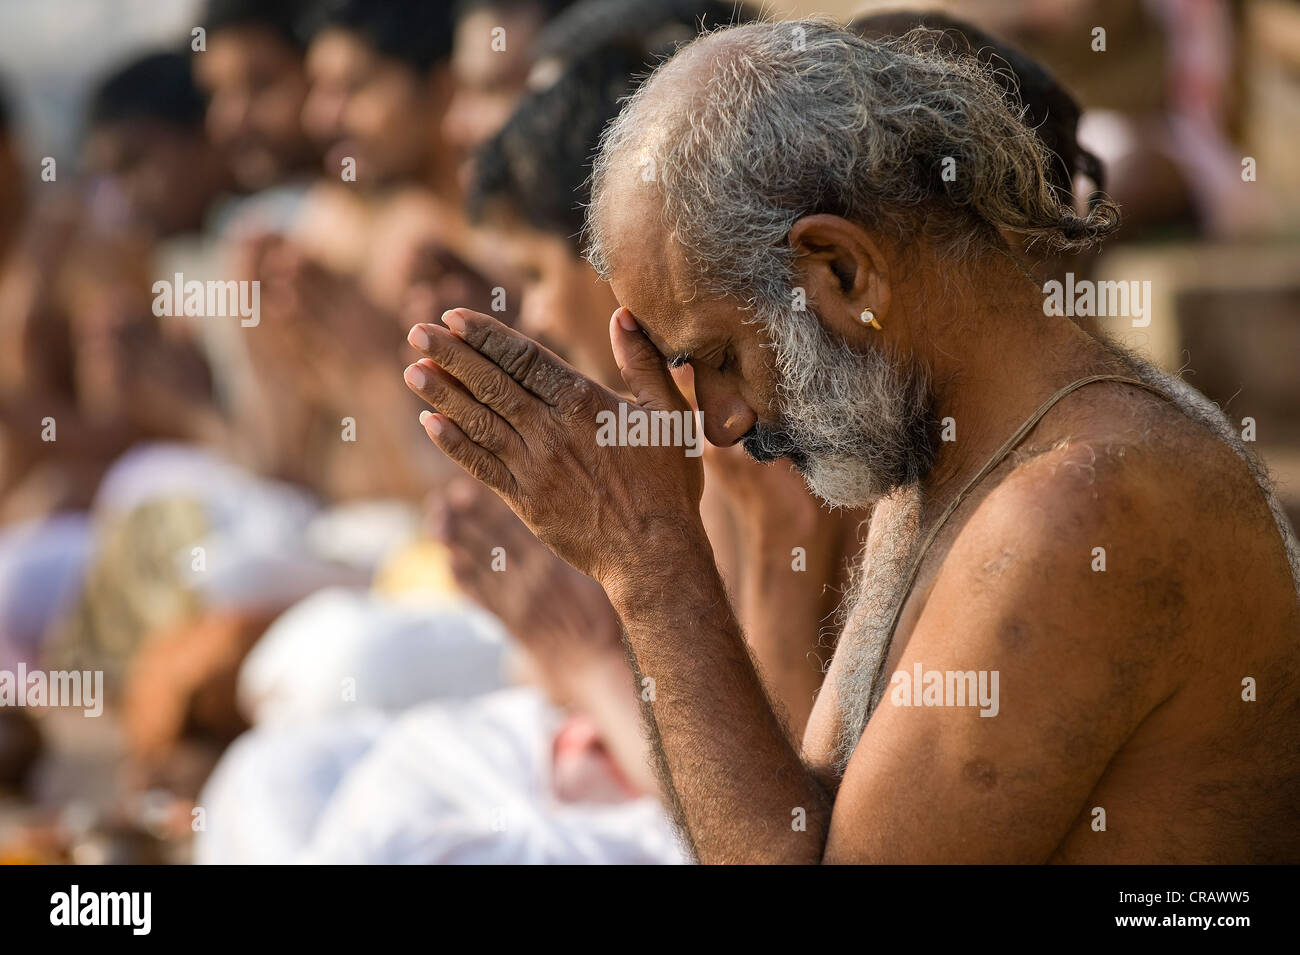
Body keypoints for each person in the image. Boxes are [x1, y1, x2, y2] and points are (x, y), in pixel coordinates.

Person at [403, 20, 1300, 863]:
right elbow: (803, 823)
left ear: (838, 268)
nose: (719, 420)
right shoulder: (943, 454)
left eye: (719, 357)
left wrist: (648, 557)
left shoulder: (1077, 505)